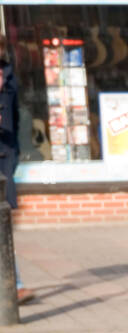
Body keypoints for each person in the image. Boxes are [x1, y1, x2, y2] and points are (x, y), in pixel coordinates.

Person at [0, 36, 33, 304]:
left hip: (4, 157)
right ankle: (16, 284)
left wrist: (14, 158)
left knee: (3, 224)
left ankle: (17, 285)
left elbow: (13, 117)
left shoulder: (7, 78)